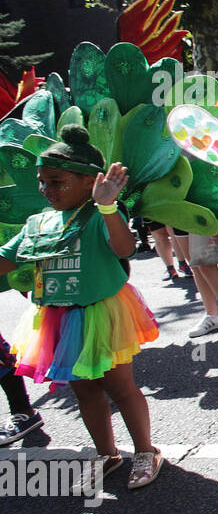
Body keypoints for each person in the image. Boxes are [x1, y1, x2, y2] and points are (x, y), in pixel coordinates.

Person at [0, 126, 162, 488]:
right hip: (56, 318)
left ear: (90, 181)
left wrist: (107, 206)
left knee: (120, 387)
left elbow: (124, 249)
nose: (47, 190)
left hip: (101, 314)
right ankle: (106, 454)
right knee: (85, 390)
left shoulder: (99, 216)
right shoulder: (37, 223)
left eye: (57, 181)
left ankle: (145, 451)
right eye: (43, 182)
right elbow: (6, 259)